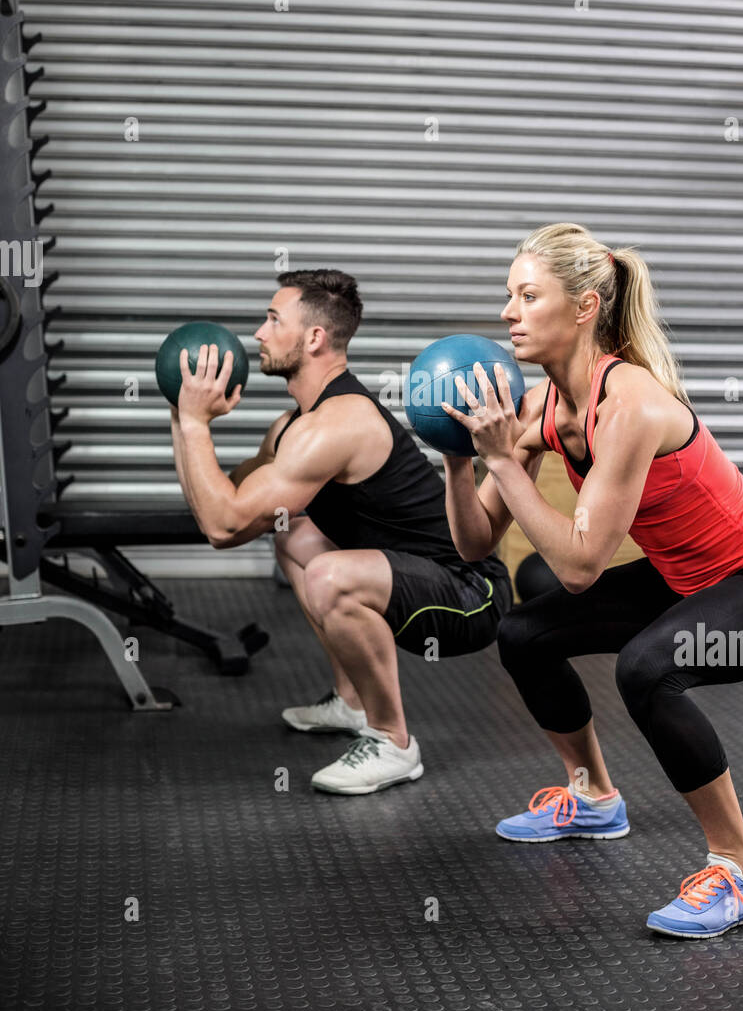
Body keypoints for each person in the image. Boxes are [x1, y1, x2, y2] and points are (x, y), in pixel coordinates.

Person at [440, 222, 743, 938]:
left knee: (648, 671)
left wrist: (502, 463)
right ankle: (591, 795)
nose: (507, 314)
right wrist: (460, 456)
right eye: (508, 296)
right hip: (687, 577)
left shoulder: (632, 405)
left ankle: (739, 873)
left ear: (584, 307)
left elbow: (582, 565)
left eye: (528, 296)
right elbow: (471, 543)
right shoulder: (538, 409)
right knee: (524, 633)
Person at [169, 268, 512, 795]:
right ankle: (352, 703)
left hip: (471, 592)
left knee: (328, 575)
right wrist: (184, 415)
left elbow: (223, 526)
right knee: (296, 537)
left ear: (314, 338)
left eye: (272, 319)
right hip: (413, 574)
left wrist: (195, 426)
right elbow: (225, 496)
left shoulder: (338, 424)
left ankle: (393, 742)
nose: (258, 333)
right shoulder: (292, 426)